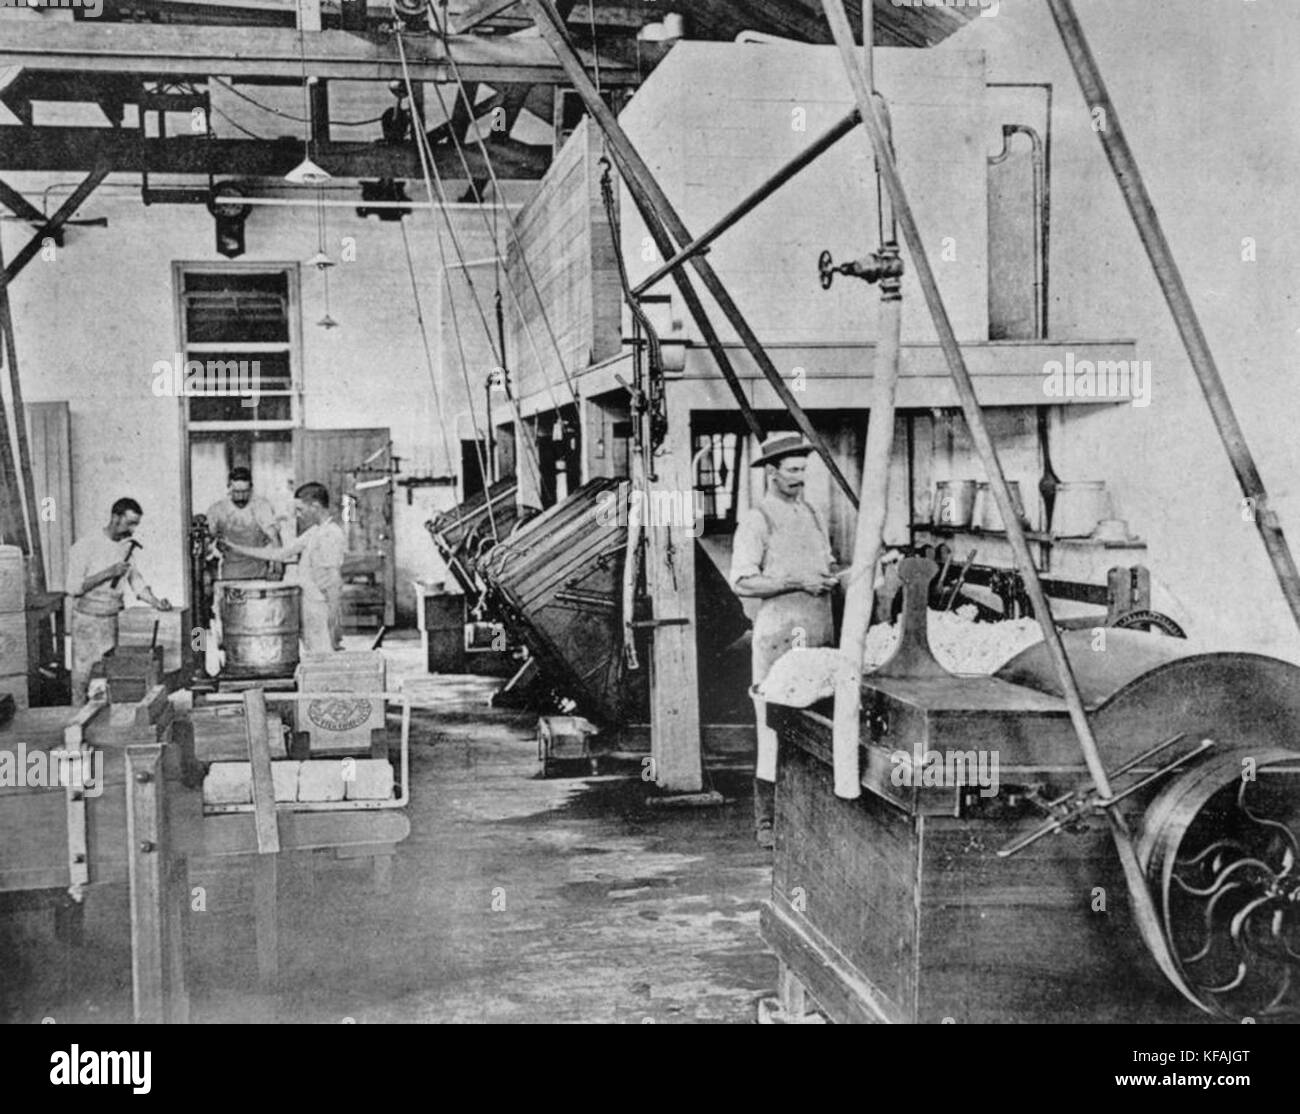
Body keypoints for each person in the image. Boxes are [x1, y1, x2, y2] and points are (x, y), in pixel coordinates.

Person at [730, 434, 840, 848]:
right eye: (792, 471)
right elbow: (741, 579)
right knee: (774, 727)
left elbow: (823, 564)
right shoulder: (758, 519)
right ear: (771, 473)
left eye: (803, 471)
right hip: (779, 638)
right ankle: (768, 823)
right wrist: (796, 581)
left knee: (820, 724)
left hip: (817, 634)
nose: (800, 479)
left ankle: (815, 816)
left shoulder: (810, 512)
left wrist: (839, 574)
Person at [65, 497, 172, 705]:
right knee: (82, 678)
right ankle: (76, 724)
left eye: (136, 524)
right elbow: (72, 588)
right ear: (115, 518)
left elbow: (137, 582)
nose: (132, 529)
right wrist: (108, 572)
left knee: (107, 678)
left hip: (111, 620)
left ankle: (103, 727)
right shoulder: (85, 546)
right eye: (129, 523)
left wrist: (157, 602)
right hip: (86, 622)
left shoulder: (125, 548)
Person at [220, 481, 345, 654]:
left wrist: (333, 623)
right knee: (312, 654)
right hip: (308, 604)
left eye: (301, 509)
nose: (298, 515)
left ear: (315, 506)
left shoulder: (331, 534)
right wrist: (235, 547)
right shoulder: (315, 531)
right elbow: (281, 553)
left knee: (322, 655)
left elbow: (333, 581)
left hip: (320, 607)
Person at [205, 466, 282, 581]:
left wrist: (278, 569)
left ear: (251, 488)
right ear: (229, 488)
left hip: (258, 570)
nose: (240, 497)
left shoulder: (261, 506)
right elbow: (208, 540)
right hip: (231, 571)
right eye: (236, 492)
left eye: (245, 492)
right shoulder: (217, 510)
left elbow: (274, 538)